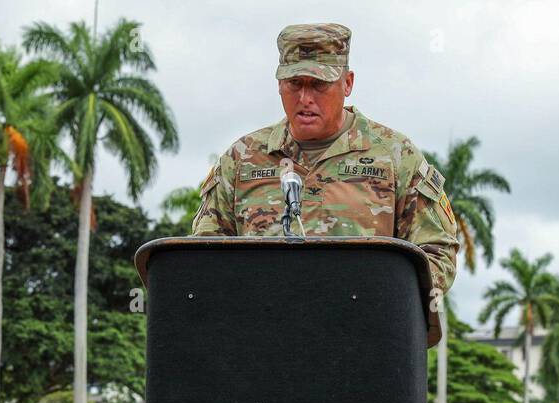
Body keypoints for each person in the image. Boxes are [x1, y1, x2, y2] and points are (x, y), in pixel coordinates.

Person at [191, 22, 460, 301]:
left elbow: (437, 253)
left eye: (319, 84)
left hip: (365, 333)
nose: (305, 98)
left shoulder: (395, 156)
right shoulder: (241, 158)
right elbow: (203, 256)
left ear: (347, 83)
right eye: (294, 84)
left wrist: (377, 297)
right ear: (279, 84)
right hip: (263, 332)